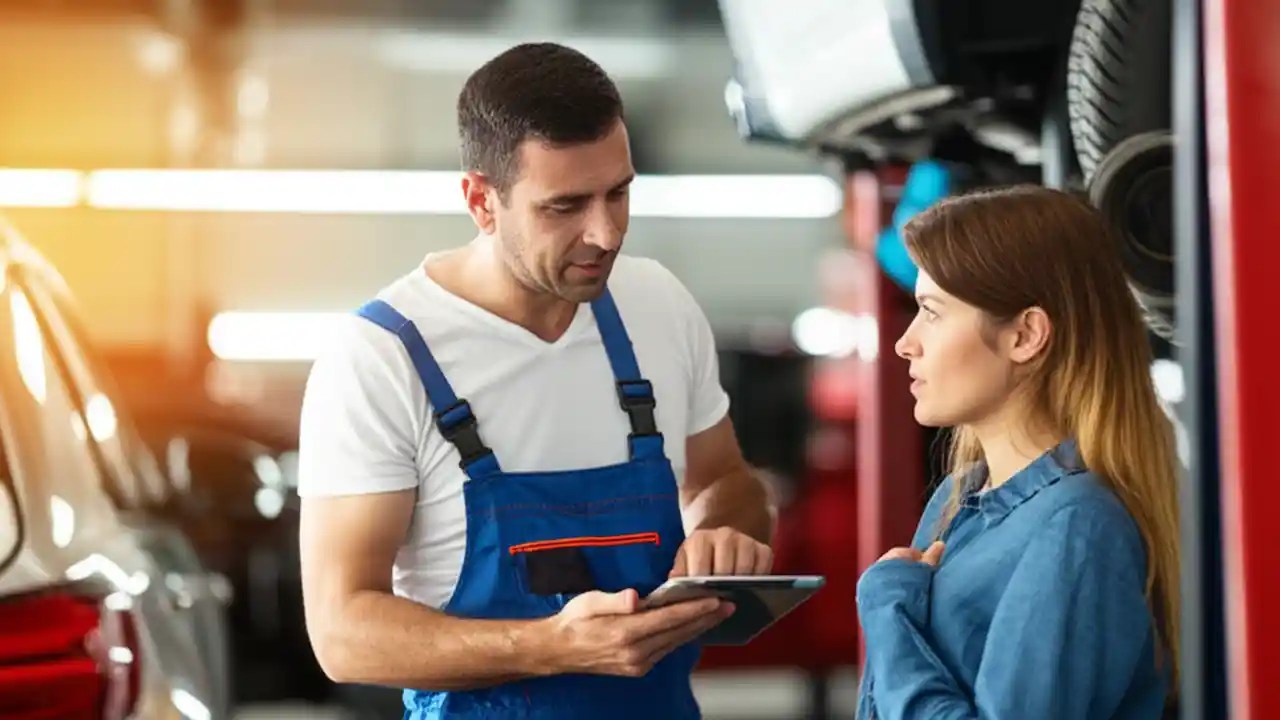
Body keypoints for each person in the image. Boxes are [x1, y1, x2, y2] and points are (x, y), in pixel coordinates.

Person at [296, 42, 775, 719]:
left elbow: (725, 480)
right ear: (481, 202)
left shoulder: (658, 307)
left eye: (619, 193)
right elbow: (343, 634)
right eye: (566, 206)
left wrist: (724, 531)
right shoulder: (381, 358)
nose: (605, 233)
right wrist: (552, 646)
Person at [855, 186, 1180, 719]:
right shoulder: (956, 499)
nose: (905, 342)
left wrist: (889, 613)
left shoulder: (1077, 526)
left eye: (932, 313)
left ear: (1026, 335)